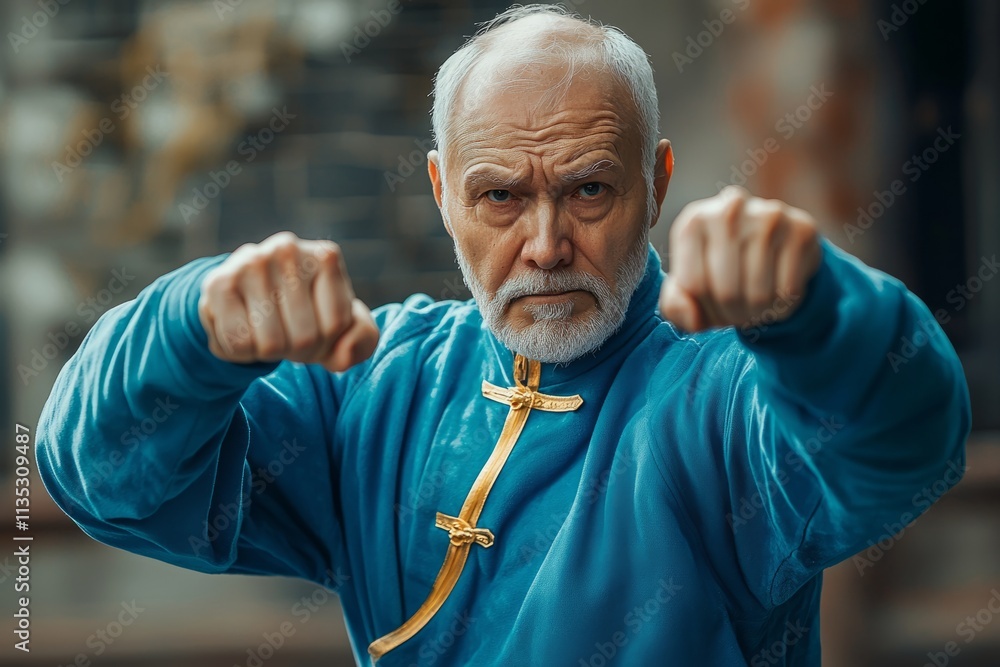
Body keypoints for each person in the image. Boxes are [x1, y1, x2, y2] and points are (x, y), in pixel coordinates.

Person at [36, 5, 970, 665]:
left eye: (590, 189)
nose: (546, 242)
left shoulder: (725, 388)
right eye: (501, 196)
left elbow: (905, 441)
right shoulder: (373, 382)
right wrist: (191, 330)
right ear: (445, 194)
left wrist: (818, 312)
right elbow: (98, 474)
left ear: (658, 182)